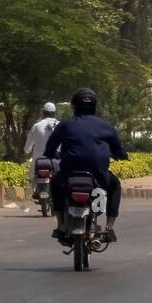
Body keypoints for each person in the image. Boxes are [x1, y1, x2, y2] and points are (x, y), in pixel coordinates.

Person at [44, 88, 128, 244]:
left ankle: (61, 224)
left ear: (74, 106)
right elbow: (118, 149)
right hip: (98, 174)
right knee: (115, 186)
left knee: (55, 184)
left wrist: (50, 154)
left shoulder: (65, 124)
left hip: (69, 173)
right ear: (94, 106)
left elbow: (50, 146)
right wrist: (121, 155)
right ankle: (109, 227)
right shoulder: (105, 126)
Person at [23, 102, 60, 200]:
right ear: (55, 113)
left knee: (31, 175)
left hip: (39, 162)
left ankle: (37, 189)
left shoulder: (36, 126)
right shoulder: (60, 126)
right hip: (56, 161)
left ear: (43, 113)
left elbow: (27, 147)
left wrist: (27, 151)